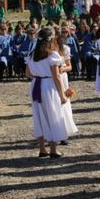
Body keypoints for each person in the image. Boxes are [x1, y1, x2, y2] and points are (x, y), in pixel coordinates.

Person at [26, 27, 77, 158]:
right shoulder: (52, 55)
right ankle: (53, 150)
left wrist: (39, 75)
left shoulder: (32, 54)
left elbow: (28, 73)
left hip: (35, 85)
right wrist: (62, 96)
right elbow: (57, 76)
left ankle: (42, 149)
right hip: (49, 86)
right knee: (52, 115)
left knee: (39, 116)